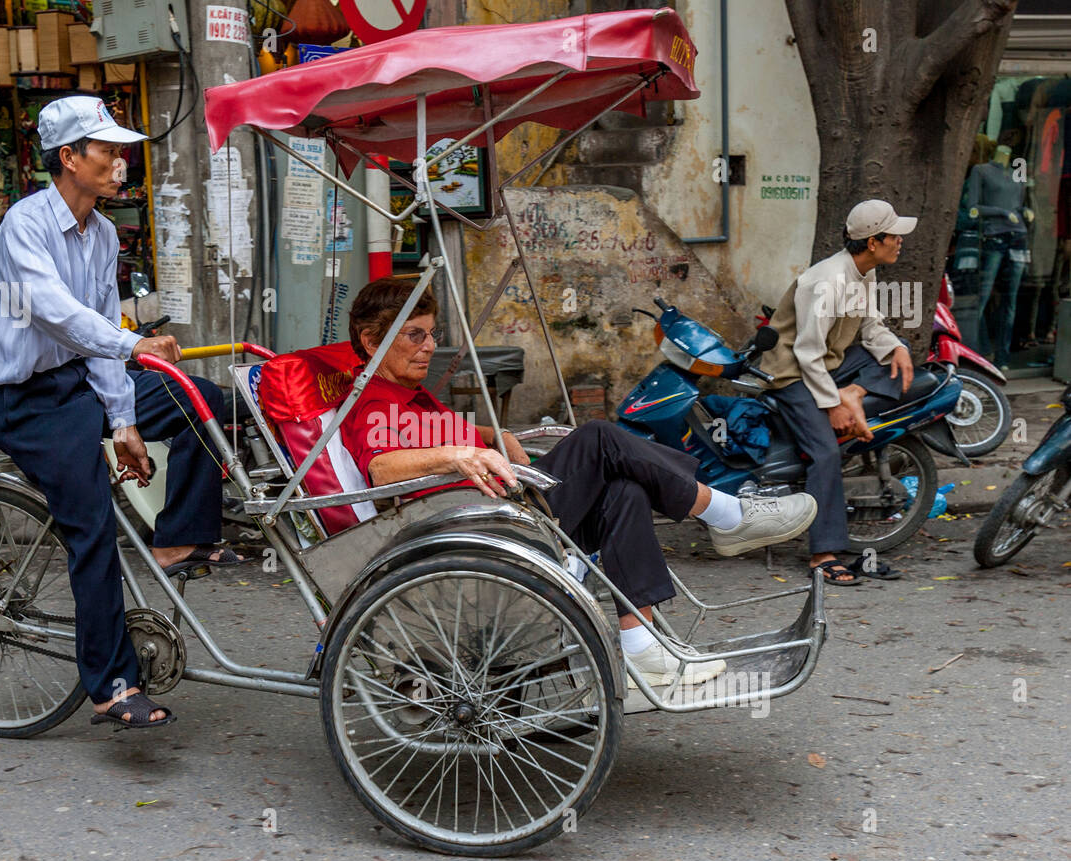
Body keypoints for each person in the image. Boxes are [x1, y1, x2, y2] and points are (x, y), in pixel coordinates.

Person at [337, 279, 817, 696]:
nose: (428, 346)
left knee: (624, 491)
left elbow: (437, 434)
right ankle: (726, 515)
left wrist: (490, 436)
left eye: (432, 334)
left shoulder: (409, 395)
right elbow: (382, 468)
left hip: (501, 506)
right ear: (372, 340)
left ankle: (641, 645)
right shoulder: (373, 400)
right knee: (598, 436)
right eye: (414, 336)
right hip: (479, 525)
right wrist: (458, 455)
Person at [0, 96, 234, 730]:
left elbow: (96, 340)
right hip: (28, 404)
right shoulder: (24, 226)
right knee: (91, 526)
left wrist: (124, 422)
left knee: (201, 398)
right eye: (108, 151)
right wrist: (132, 342)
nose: (121, 163)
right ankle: (111, 686)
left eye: (122, 152)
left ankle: (176, 539)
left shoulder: (104, 233)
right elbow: (59, 313)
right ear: (69, 158)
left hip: (81, 384)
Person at [756, 199, 918, 586]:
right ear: (873, 241)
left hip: (832, 364)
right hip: (793, 374)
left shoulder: (865, 272)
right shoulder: (826, 281)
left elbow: (872, 327)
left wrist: (896, 346)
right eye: (894, 235)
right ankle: (823, 555)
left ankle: (855, 394)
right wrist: (830, 405)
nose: (900, 241)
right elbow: (805, 352)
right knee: (825, 452)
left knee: (903, 365)